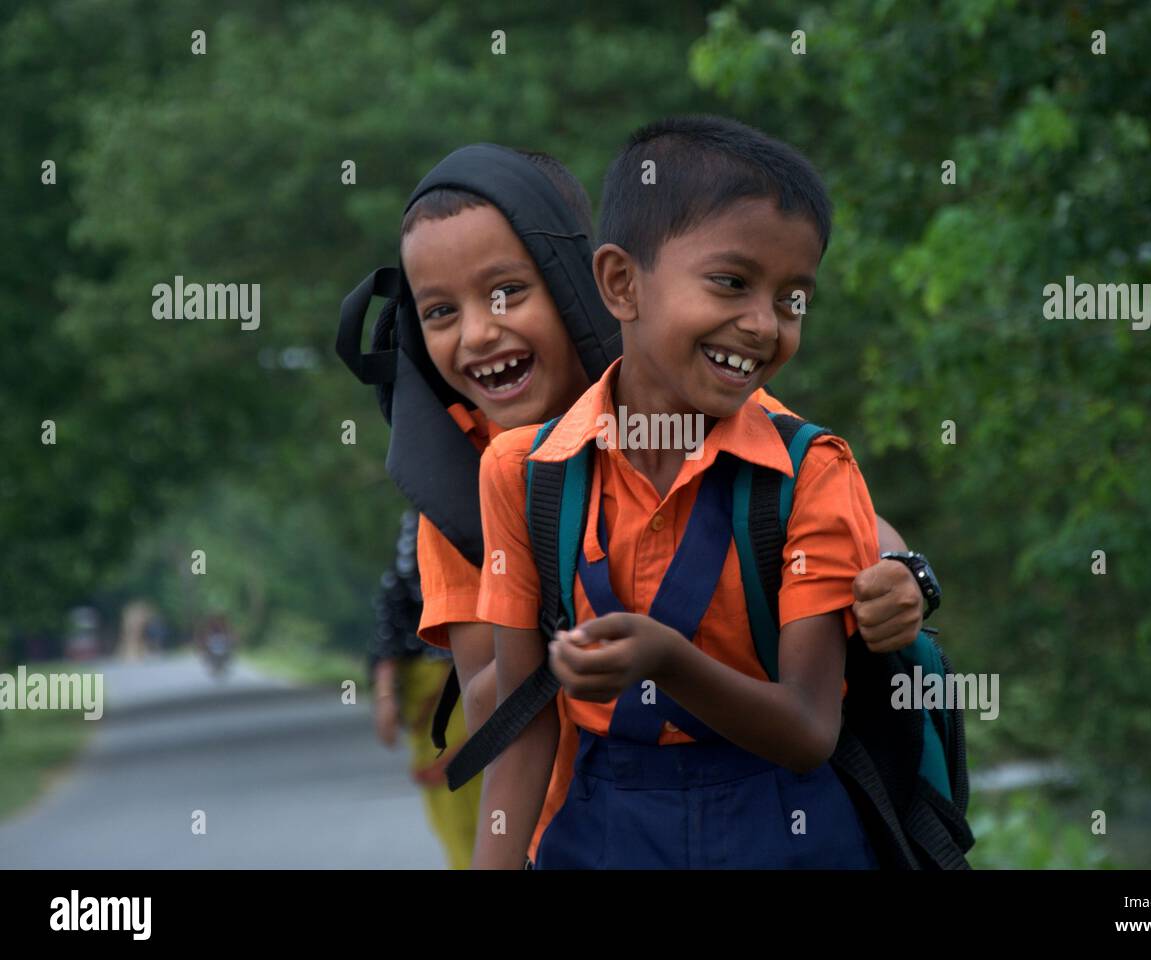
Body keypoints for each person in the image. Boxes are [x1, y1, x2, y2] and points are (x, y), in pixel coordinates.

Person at [340, 140, 936, 868]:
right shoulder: (483, 483)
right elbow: (499, 711)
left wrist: (907, 573)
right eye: (440, 312)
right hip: (577, 822)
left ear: (585, 285)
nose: (479, 332)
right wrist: (571, 637)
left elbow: (828, 502)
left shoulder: (694, 395)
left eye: (508, 294)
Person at [473, 115, 899, 868]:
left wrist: (667, 661)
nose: (764, 325)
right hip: (606, 828)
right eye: (731, 283)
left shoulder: (811, 473)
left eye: (793, 299)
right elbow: (525, 724)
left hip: (783, 823)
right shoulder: (524, 473)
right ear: (621, 283)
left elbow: (807, 730)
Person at [369, 510, 480, 870]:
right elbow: (393, 603)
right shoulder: (420, 516)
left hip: (494, 668)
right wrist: (384, 694)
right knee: (453, 805)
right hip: (430, 686)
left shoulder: (510, 484)